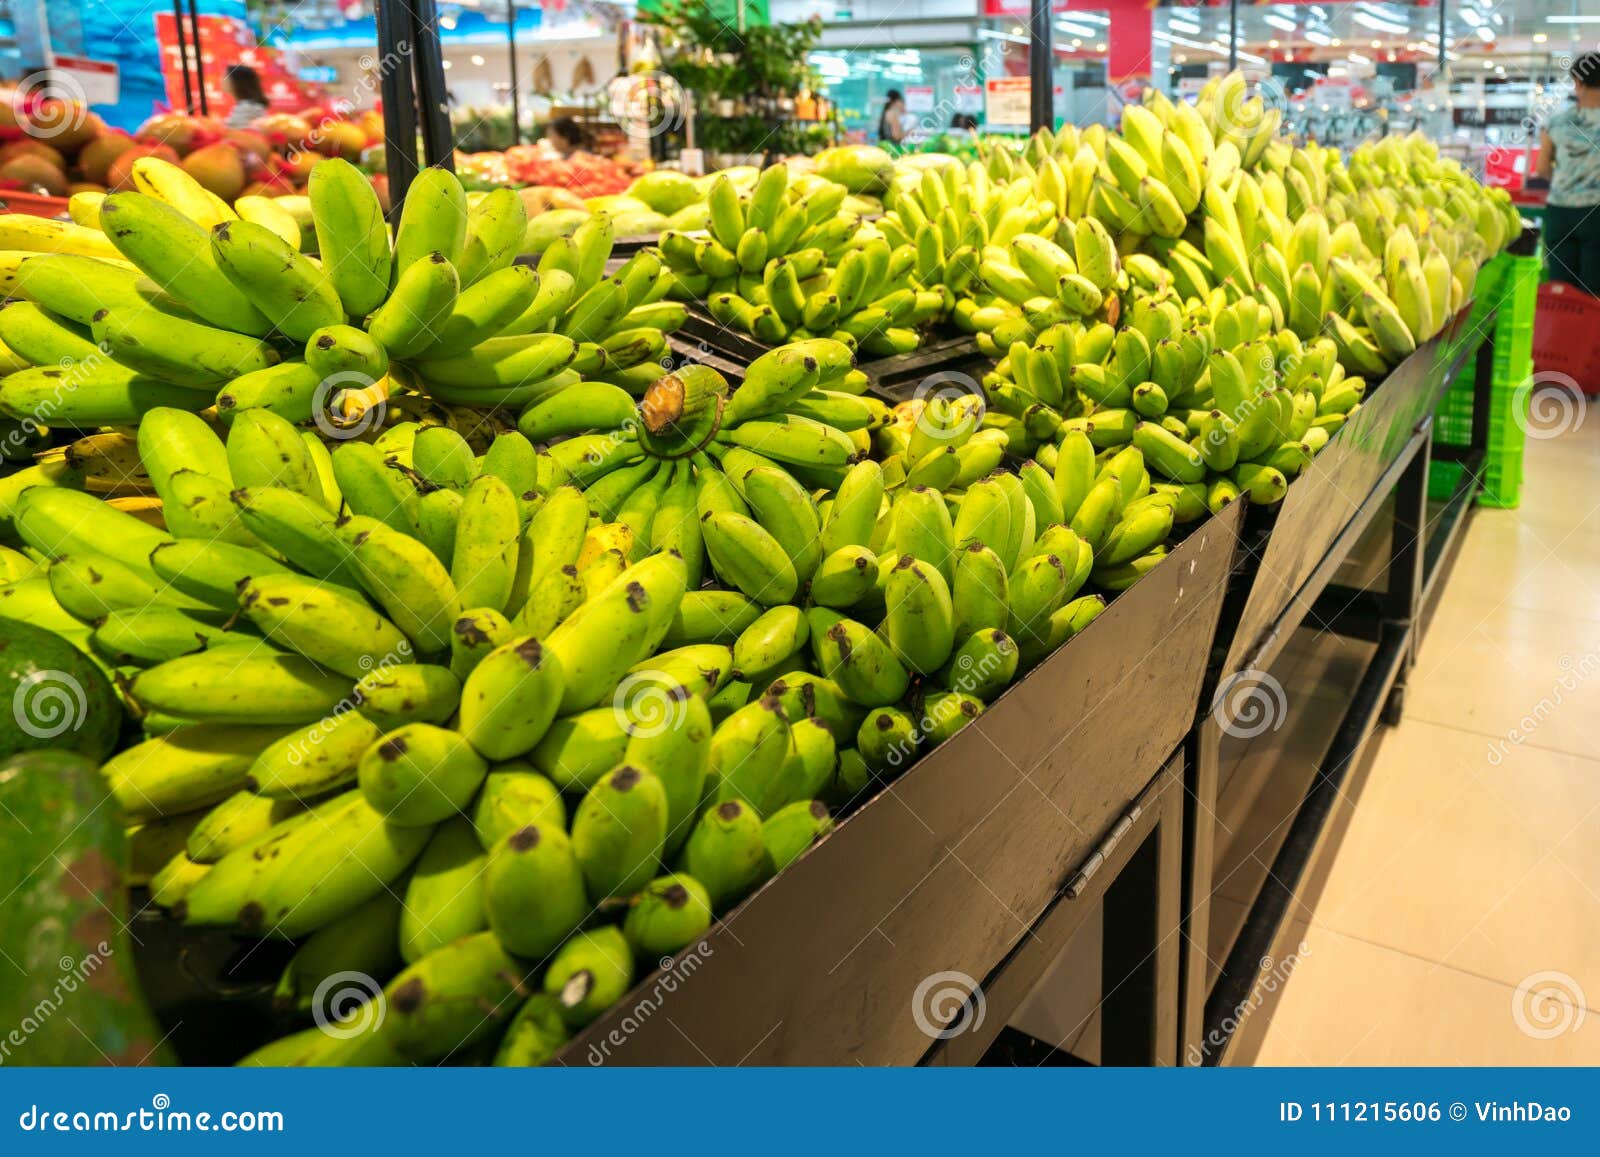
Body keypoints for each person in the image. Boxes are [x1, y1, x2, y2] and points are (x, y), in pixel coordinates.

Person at [1537, 51, 1600, 295]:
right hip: (1596, 215)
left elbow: (1542, 169)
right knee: (1594, 294)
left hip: (1560, 213)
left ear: (1578, 82)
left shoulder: (1557, 123)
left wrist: (1567, 183)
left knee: (1561, 291)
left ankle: (1562, 333)